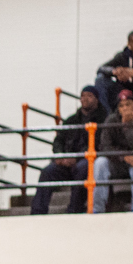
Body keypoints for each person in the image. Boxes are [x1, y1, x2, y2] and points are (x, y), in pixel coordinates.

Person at [31, 87, 108, 215]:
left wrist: (76, 158)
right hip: (66, 161)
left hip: (86, 161)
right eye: (83, 95)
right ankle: (37, 211)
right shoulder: (71, 120)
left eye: (89, 96)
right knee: (47, 172)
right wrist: (60, 155)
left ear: (96, 99)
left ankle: (74, 209)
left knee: (82, 169)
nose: (85, 99)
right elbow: (58, 140)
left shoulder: (103, 119)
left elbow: (99, 144)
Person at [92, 90, 133, 212]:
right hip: (120, 160)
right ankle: (98, 209)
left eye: (128, 104)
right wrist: (123, 156)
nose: (125, 108)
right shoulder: (111, 120)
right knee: (100, 162)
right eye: (121, 106)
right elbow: (105, 146)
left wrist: (127, 127)